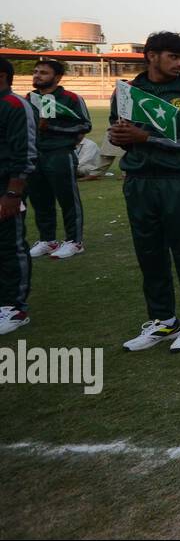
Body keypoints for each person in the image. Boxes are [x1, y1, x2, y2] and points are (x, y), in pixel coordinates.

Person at [111, 32, 180, 352]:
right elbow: (118, 130)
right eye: (173, 57)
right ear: (151, 56)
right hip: (139, 182)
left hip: (179, 183)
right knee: (149, 253)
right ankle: (163, 320)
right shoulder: (129, 91)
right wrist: (119, 136)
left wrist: (146, 139)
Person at [25, 58, 92, 259]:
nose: (37, 75)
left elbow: (84, 126)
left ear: (58, 77)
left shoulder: (71, 98)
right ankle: (48, 240)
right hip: (35, 155)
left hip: (59, 154)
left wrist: (51, 127)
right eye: (36, 71)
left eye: (43, 72)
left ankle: (74, 241)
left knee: (68, 200)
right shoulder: (29, 98)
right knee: (40, 200)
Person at [0, 57, 37, 335]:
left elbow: (23, 153)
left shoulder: (14, 105)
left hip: (4, 189)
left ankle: (15, 307)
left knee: (9, 246)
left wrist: (13, 193)